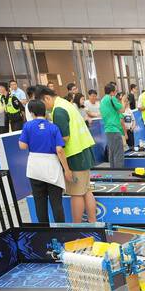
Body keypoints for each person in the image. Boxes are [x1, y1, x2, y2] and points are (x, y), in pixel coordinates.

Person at [41, 84, 97, 225]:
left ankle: (76, 226)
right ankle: (93, 222)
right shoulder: (65, 103)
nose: (44, 107)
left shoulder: (58, 110)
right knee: (86, 190)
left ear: (47, 98)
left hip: (75, 155)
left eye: (43, 103)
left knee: (76, 193)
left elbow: (64, 138)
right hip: (83, 151)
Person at [18, 98, 70, 224]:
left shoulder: (28, 126)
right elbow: (59, 150)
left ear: (31, 112)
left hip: (35, 167)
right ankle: (62, 231)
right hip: (52, 166)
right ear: (45, 111)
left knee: (39, 202)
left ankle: (45, 233)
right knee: (56, 203)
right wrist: (67, 170)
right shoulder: (53, 127)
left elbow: (22, 146)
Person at [99, 82, 126, 169]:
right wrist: (122, 100)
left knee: (112, 153)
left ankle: (113, 172)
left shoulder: (103, 100)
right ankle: (119, 173)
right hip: (114, 129)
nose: (116, 93)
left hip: (108, 129)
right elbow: (122, 110)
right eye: (115, 91)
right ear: (111, 92)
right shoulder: (112, 98)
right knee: (118, 153)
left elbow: (115, 111)